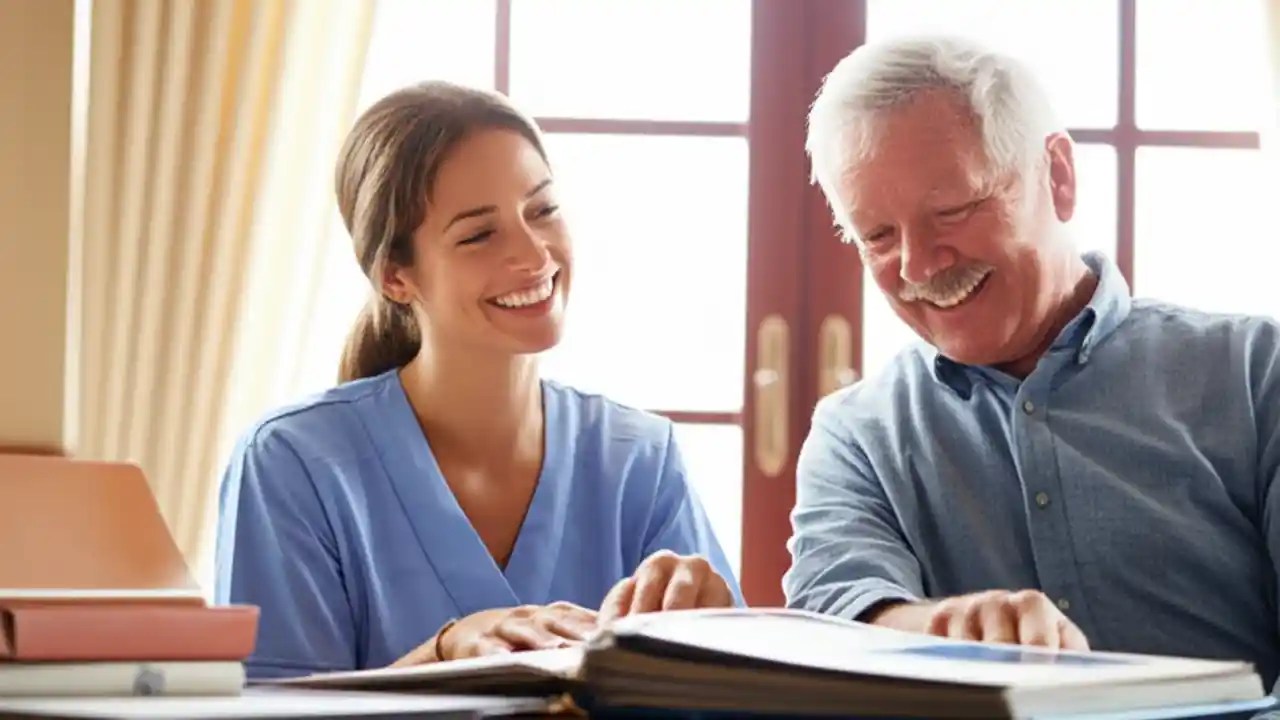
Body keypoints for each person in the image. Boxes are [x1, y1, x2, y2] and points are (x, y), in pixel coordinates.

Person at [784, 33, 1280, 690]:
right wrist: (943, 632)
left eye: (953, 211)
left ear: (1059, 177)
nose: (917, 265)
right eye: (878, 236)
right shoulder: (856, 435)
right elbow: (831, 623)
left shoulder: (1254, 375)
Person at [214, 81, 741, 680]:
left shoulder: (641, 461)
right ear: (395, 277)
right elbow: (272, 710)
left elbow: (735, 696)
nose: (535, 255)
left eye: (542, 210)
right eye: (478, 234)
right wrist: (444, 649)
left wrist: (716, 635)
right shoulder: (293, 464)